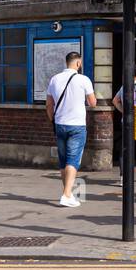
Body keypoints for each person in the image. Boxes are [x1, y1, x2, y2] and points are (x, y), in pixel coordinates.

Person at [45, 51, 97, 208]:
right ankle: (67, 195)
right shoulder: (83, 79)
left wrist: (52, 119)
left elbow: (48, 104)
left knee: (63, 161)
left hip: (60, 124)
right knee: (73, 160)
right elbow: (93, 102)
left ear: (66, 62)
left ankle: (67, 192)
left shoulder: (55, 79)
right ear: (78, 63)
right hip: (77, 126)